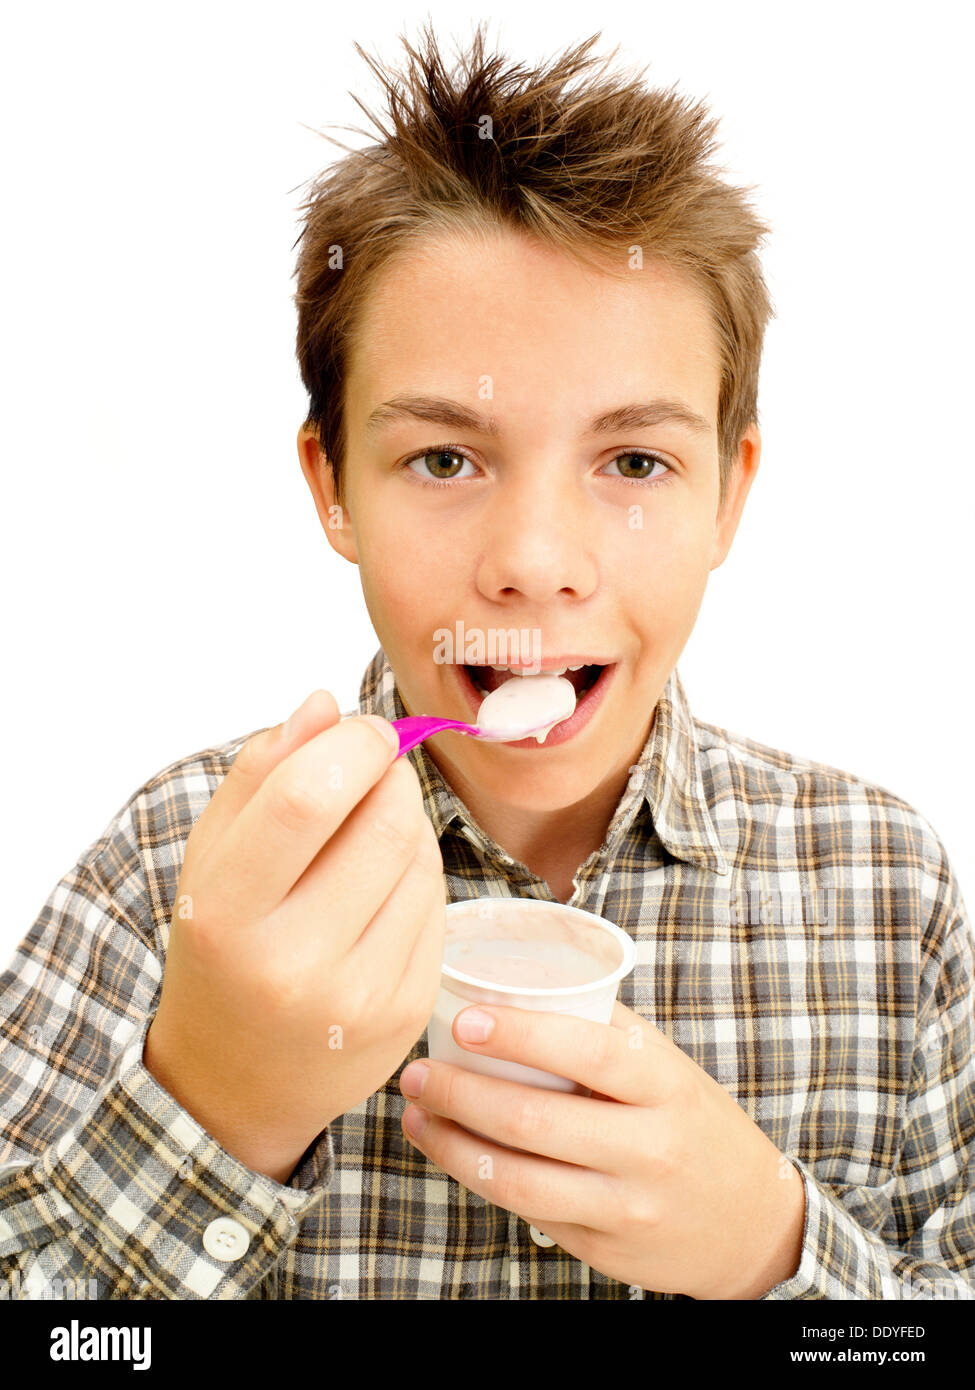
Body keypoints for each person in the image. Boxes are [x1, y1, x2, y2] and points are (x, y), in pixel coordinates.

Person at [1, 23, 972, 1301]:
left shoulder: (886, 897)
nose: (535, 562)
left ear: (728, 498)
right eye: (446, 459)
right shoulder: (170, 878)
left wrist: (775, 1252)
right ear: (332, 485)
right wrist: (216, 1105)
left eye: (635, 462)